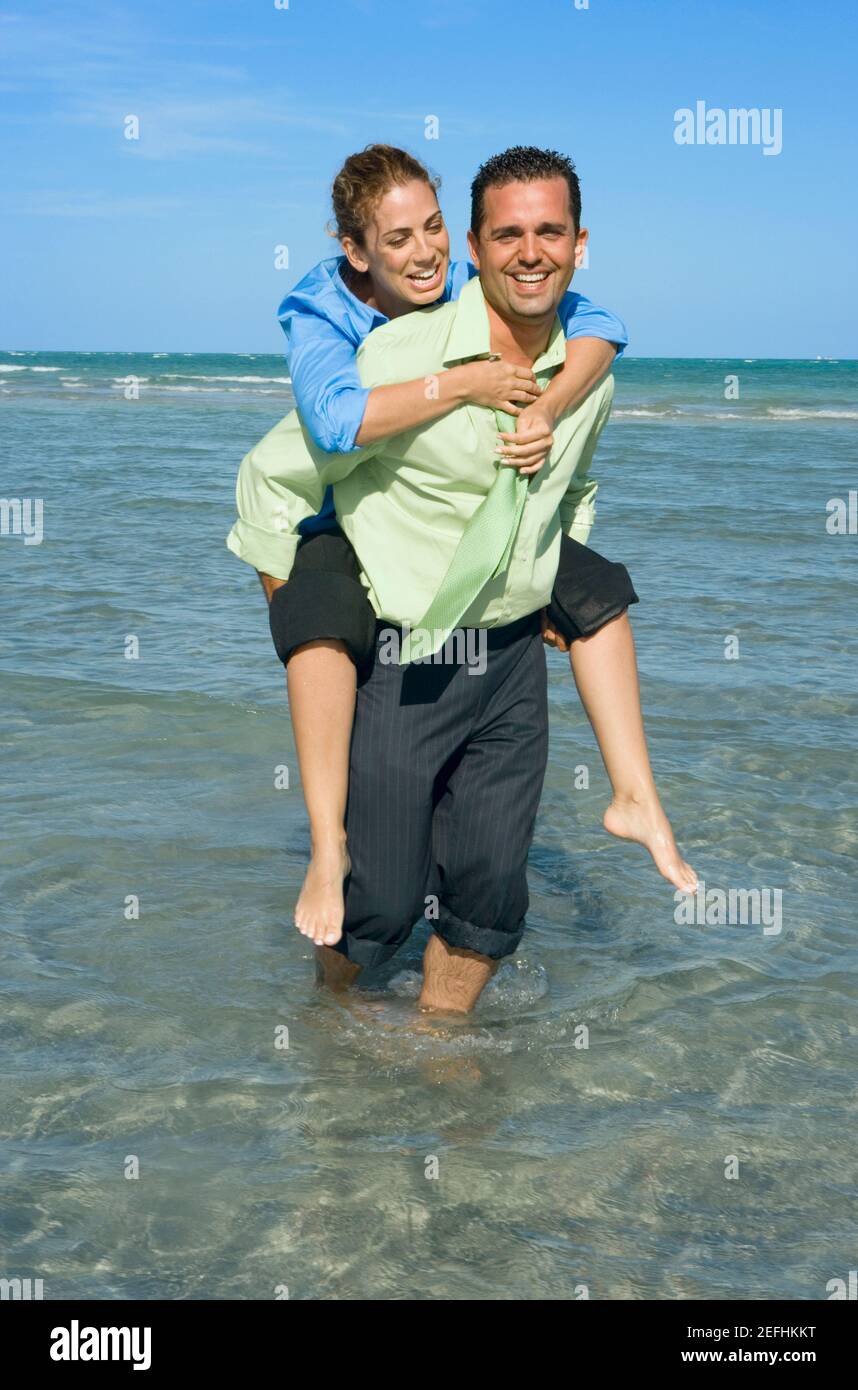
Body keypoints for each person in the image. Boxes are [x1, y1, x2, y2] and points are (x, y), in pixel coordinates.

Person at [228, 147, 694, 1013]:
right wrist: (289, 614)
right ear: (480, 248)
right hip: (406, 647)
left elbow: (579, 479)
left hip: (511, 658)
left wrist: (546, 560)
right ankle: (332, 1035)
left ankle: (447, 1067)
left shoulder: (588, 362)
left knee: (486, 897)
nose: (530, 251)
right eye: (507, 234)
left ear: (579, 243)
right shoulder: (381, 352)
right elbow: (281, 467)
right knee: (382, 903)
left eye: (550, 232)